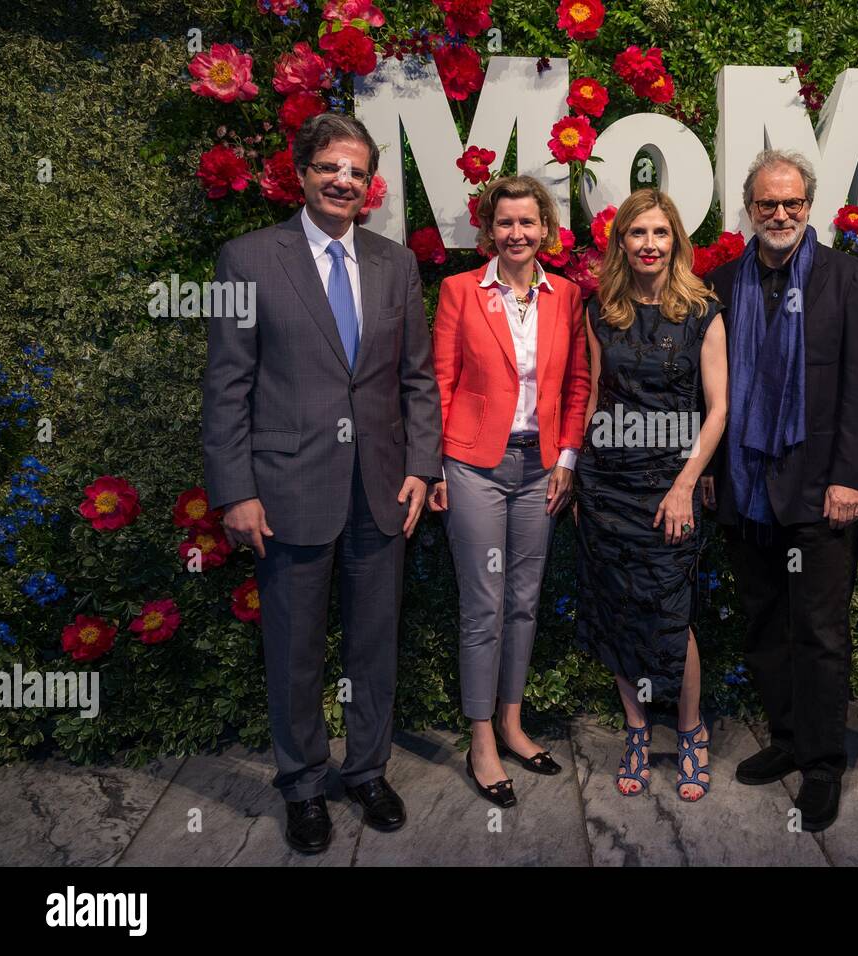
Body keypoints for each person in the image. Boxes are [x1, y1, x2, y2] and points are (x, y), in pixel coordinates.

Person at [202, 113, 443, 854]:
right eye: (331, 167)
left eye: (358, 172)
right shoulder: (244, 260)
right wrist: (235, 490)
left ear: (370, 187)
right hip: (285, 492)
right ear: (301, 173)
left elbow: (418, 380)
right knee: (294, 650)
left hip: (380, 490)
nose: (344, 181)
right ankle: (303, 785)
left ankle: (367, 771)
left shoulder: (395, 263)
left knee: (375, 643)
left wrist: (420, 467)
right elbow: (225, 386)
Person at [705, 149, 858, 831]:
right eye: (766, 204)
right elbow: (707, 391)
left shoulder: (846, 279)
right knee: (763, 624)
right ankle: (785, 737)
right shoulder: (721, 283)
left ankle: (822, 762)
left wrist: (849, 478)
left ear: (811, 206)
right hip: (746, 490)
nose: (780, 214)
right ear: (747, 209)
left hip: (820, 491)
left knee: (818, 630)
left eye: (793, 203)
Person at [431, 175, 591, 808]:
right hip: (473, 466)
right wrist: (435, 467)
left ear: (546, 230)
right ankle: (480, 739)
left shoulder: (568, 297)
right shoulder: (459, 292)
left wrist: (569, 460)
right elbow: (439, 381)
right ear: (488, 231)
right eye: (505, 224)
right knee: (484, 604)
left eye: (528, 223)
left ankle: (513, 722)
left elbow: (578, 385)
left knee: (525, 601)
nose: (517, 234)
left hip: (541, 469)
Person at [574, 188, 728, 801]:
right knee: (615, 610)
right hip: (606, 481)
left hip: (671, 483)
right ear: (621, 244)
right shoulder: (600, 309)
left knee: (672, 613)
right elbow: (592, 398)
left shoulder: (703, 311)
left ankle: (690, 733)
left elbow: (717, 411)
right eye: (637, 234)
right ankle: (637, 731)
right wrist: (583, 473)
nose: (649, 245)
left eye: (660, 233)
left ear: (676, 242)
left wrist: (686, 484)